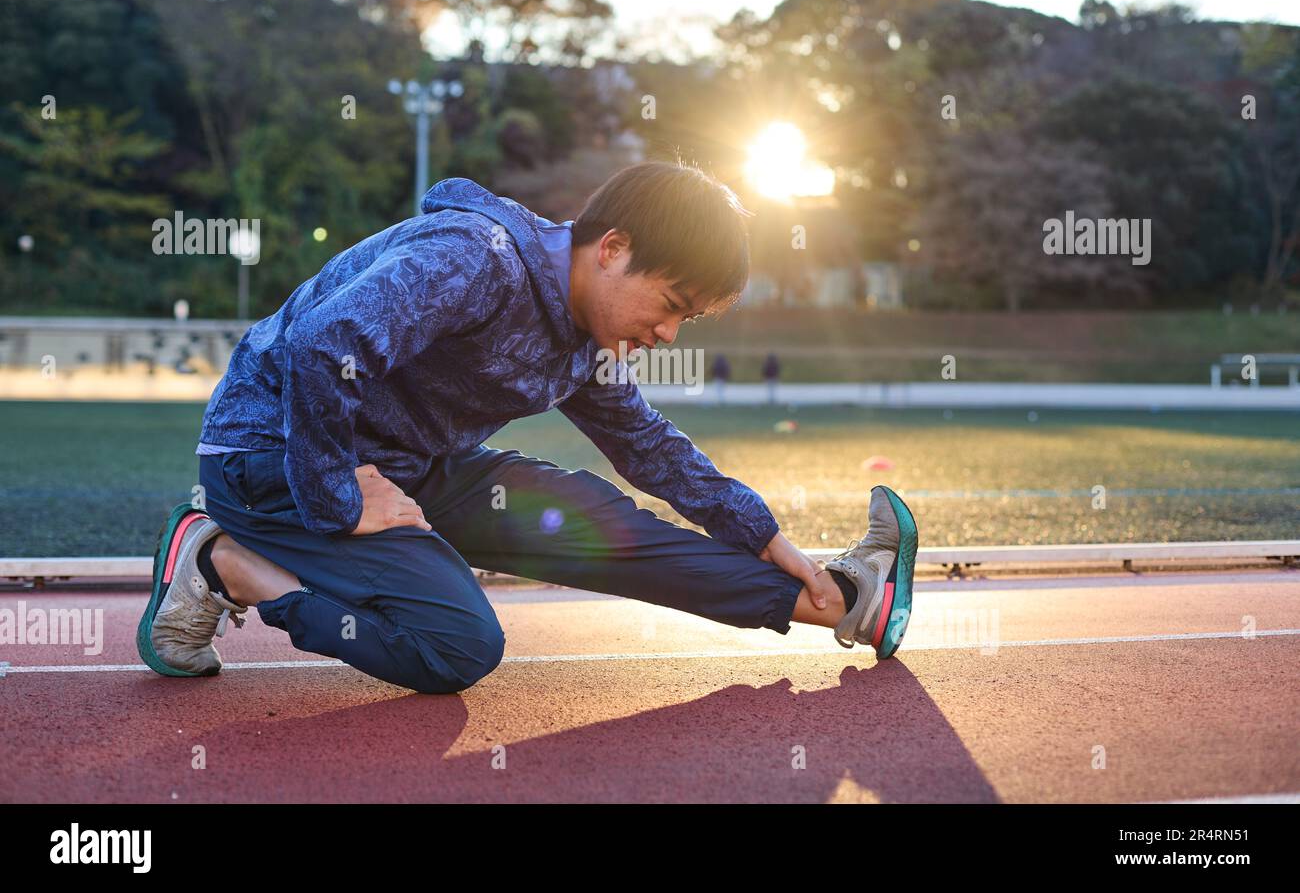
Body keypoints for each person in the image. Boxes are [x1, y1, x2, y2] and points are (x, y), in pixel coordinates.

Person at [137, 161, 917, 694]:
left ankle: (839, 597)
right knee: (459, 649)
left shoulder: (586, 338)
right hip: (273, 459)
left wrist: (771, 540)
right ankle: (223, 562)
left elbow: (651, 451)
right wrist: (339, 495)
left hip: (410, 466)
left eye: (691, 318)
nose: (671, 333)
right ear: (613, 249)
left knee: (595, 521)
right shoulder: (477, 258)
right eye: (673, 303)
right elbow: (322, 346)